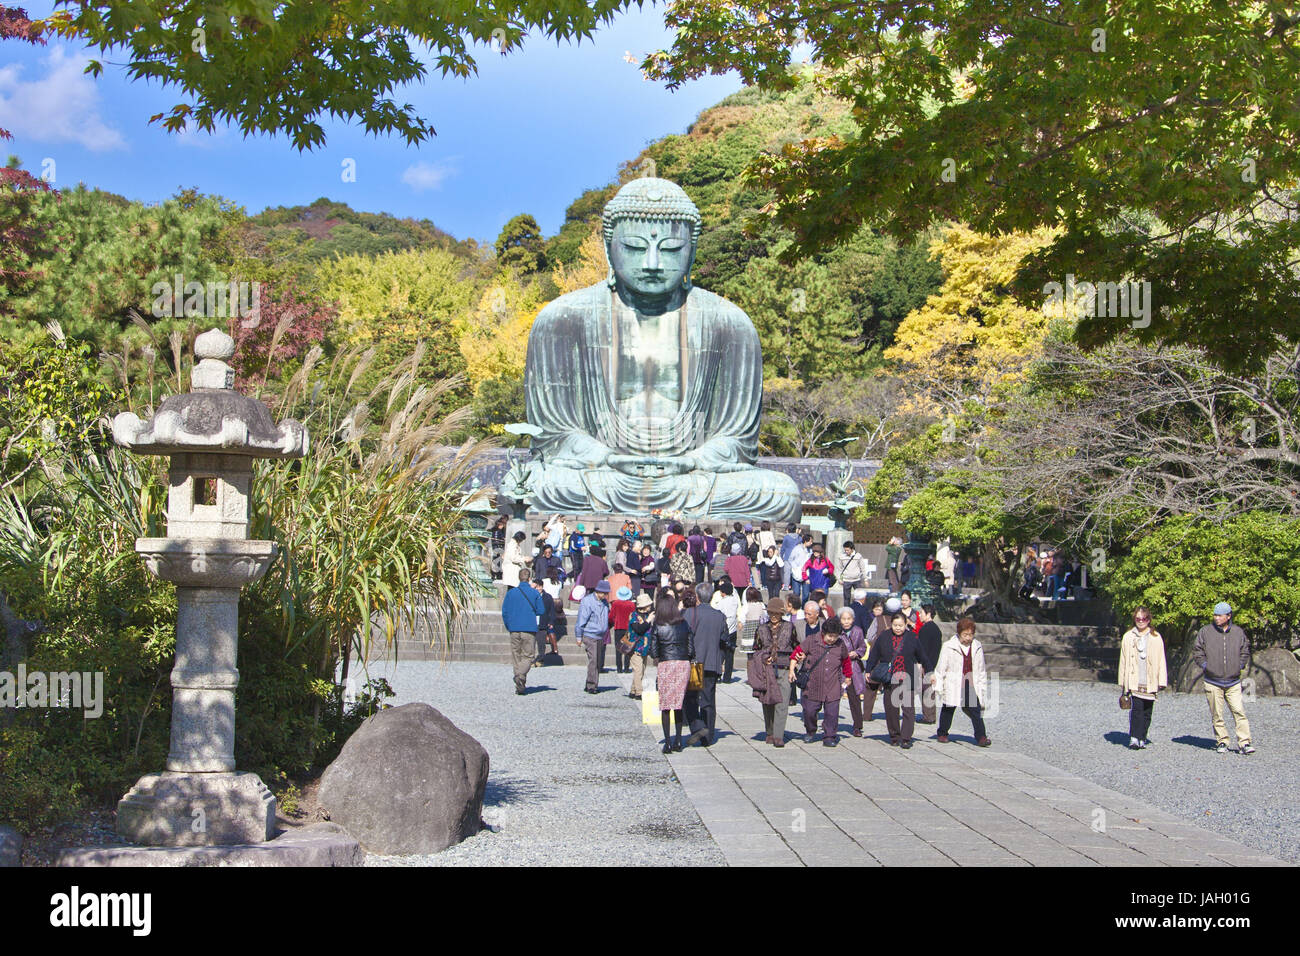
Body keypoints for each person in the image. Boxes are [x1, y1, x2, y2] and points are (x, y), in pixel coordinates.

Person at [863, 611, 934, 748]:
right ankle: (895, 735)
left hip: (907, 678)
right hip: (890, 679)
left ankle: (906, 737)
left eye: (900, 625)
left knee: (908, 709)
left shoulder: (912, 637)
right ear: (891, 624)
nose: (898, 628)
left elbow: (923, 656)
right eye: (895, 625)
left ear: (905, 624)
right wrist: (868, 670)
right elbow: (874, 653)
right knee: (891, 709)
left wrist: (930, 672)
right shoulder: (884, 636)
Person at [1193, 602, 1255, 755]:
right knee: (1217, 714)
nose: (1216, 618)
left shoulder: (1238, 632)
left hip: (1233, 681)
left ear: (1228, 616)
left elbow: (1245, 651)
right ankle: (1222, 741)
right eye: (1215, 615)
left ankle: (1244, 742)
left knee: (1239, 711)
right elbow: (1197, 651)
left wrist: (1239, 666)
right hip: (1213, 681)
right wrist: (1207, 666)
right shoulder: (1205, 632)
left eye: (1220, 615)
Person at [789, 616, 852, 747]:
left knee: (832, 713)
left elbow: (846, 661)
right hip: (813, 684)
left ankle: (829, 736)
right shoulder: (812, 641)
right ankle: (810, 731)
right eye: (830, 636)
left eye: (835, 636)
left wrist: (848, 677)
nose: (832, 639)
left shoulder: (840, 645)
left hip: (833, 685)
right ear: (823, 633)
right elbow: (796, 653)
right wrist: (791, 670)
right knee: (809, 711)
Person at [933, 617, 991, 746]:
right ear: (959, 633)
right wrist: (939, 685)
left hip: (970, 681)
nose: (968, 637)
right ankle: (942, 733)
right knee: (949, 708)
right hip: (953, 681)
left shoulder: (977, 646)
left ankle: (981, 736)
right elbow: (941, 666)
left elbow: (981, 668)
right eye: (965, 634)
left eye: (970, 634)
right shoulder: (949, 646)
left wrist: (982, 685)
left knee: (975, 710)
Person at [683, 583, 728, 746]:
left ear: (697, 596)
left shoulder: (690, 613)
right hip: (712, 662)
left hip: (696, 662)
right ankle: (708, 736)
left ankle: (698, 726)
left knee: (692, 698)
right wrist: (721, 660)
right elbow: (725, 641)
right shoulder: (720, 616)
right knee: (709, 700)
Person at [1118, 606, 1167, 750]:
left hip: (1150, 679)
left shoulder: (1156, 637)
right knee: (1136, 709)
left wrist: (1162, 680)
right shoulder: (1128, 636)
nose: (1141, 622)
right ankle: (1134, 737)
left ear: (1148, 620)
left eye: (1144, 619)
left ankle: (1142, 737)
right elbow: (1123, 660)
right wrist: (1123, 682)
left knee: (1147, 711)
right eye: (1138, 619)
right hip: (1134, 679)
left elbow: (1161, 660)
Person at [652, 592, 695, 753]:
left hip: (666, 663)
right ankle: (678, 740)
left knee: (665, 704)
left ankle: (668, 742)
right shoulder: (683, 623)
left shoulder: (658, 625)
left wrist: (658, 657)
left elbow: (654, 649)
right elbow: (691, 647)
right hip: (682, 663)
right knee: (678, 703)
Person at [751, 597, 796, 746]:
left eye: (777, 613)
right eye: (771, 613)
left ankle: (778, 735)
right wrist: (764, 658)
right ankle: (769, 732)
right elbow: (755, 650)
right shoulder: (761, 629)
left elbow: (796, 647)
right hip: (767, 670)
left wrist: (794, 665)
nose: (774, 616)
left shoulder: (790, 627)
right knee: (768, 702)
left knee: (782, 703)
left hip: (784, 668)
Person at [501, 568, 545, 695]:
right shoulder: (534, 593)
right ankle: (520, 676)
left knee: (516, 656)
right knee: (528, 656)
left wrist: (509, 625)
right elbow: (541, 610)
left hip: (514, 628)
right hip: (529, 628)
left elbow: (505, 612)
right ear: (529, 578)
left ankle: (519, 681)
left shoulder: (511, 593)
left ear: (519, 578)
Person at [575, 580, 612, 694]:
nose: (605, 595)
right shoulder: (587, 601)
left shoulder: (605, 602)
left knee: (598, 661)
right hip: (590, 634)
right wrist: (578, 636)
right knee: (594, 660)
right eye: (604, 593)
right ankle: (592, 685)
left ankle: (590, 683)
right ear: (598, 591)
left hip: (600, 635)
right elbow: (581, 620)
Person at [838, 607, 868, 737]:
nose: (846, 622)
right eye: (844, 619)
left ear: (853, 619)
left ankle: (857, 725)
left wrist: (856, 653)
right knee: (834, 696)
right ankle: (830, 722)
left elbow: (863, 646)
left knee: (854, 698)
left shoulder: (858, 631)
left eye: (848, 619)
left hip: (853, 667)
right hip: (840, 667)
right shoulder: (837, 632)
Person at [915, 603, 942, 724]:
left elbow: (922, 649)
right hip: (933, 662)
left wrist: (920, 664)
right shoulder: (936, 629)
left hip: (926, 664)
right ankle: (930, 715)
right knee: (929, 691)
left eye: (921, 613)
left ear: (928, 614)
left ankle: (928, 716)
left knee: (926, 691)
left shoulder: (925, 629)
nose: (919, 615)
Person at [711, 577, 740, 682]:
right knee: (730, 656)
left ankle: (717, 674)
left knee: (720, 653)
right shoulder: (734, 600)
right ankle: (727, 677)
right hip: (733, 631)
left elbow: (715, 611)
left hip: (724, 631)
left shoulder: (722, 602)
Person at [610, 585, 637, 674]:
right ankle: (626, 667)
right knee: (628, 647)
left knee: (618, 648)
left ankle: (619, 668)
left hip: (618, 627)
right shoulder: (632, 604)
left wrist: (612, 623)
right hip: (628, 628)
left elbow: (611, 616)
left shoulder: (615, 603)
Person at [789, 533, 813, 604]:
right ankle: (796, 608)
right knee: (796, 593)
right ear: (805, 541)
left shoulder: (810, 551)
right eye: (810, 541)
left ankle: (803, 608)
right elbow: (790, 559)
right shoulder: (797, 548)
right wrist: (794, 568)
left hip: (806, 574)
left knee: (806, 594)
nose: (811, 543)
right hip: (797, 573)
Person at [780, 523, 801, 595]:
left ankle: (786, 586)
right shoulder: (799, 537)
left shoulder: (786, 537)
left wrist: (781, 555)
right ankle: (794, 586)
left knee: (787, 572)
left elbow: (783, 548)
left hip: (788, 556)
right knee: (795, 572)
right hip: (796, 557)